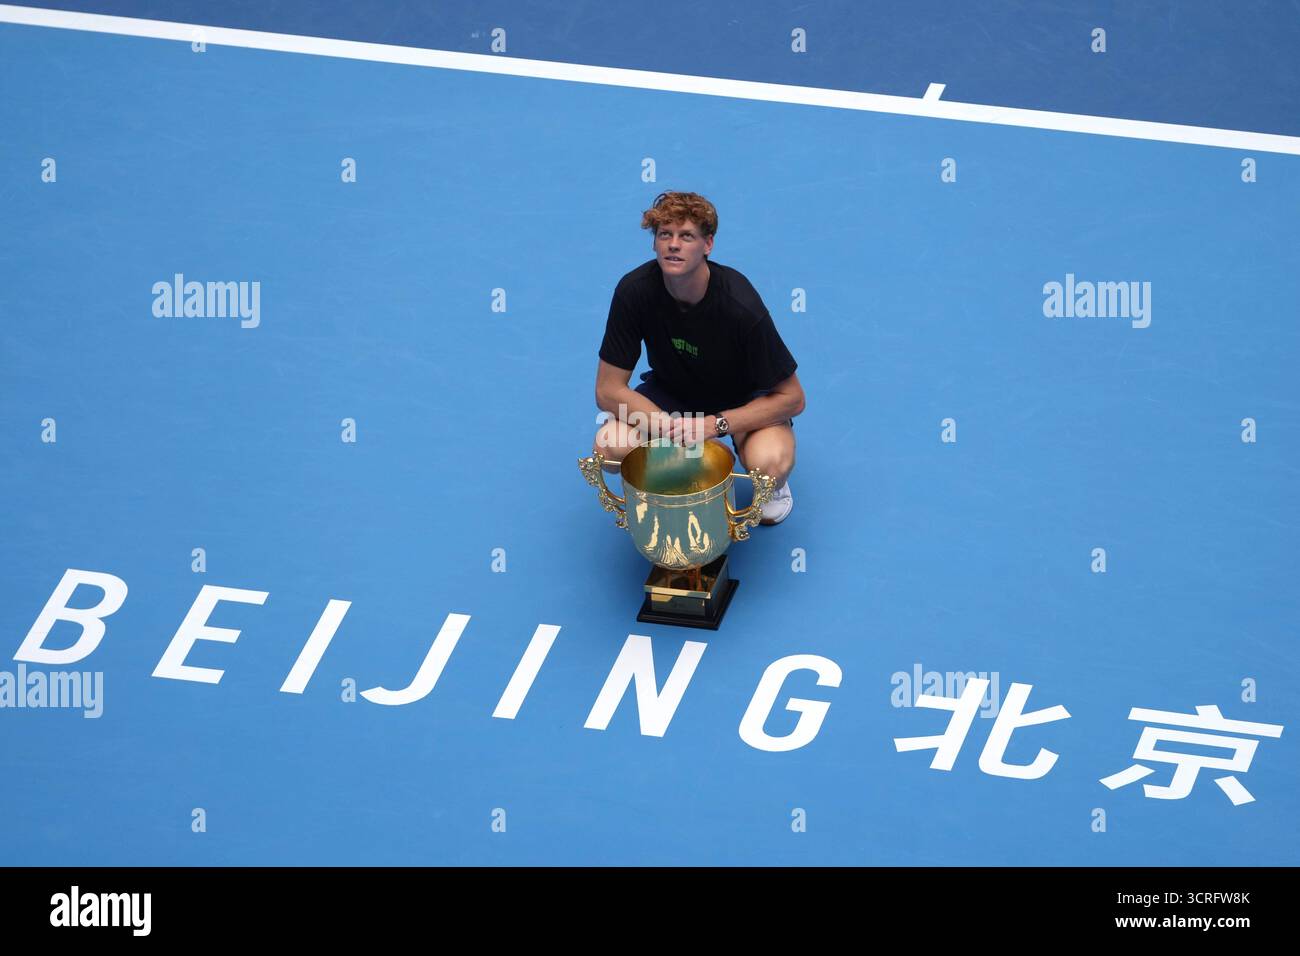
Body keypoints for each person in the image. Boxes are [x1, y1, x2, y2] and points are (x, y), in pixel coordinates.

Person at [592, 191, 804, 525]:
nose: (673, 245)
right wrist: (668, 427)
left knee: (769, 464)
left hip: (742, 400)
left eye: (686, 236)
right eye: (665, 234)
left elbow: (793, 399)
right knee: (610, 446)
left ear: (708, 245)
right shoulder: (634, 292)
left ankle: (774, 486)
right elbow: (607, 390)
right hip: (672, 395)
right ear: (655, 243)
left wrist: (714, 425)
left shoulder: (741, 306)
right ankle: (667, 482)